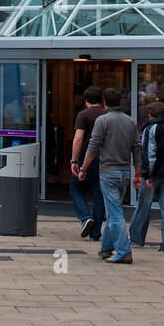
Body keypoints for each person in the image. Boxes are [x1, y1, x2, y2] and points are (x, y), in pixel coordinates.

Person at [78, 88, 141, 264]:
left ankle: (123, 251)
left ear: (105, 102)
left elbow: (93, 145)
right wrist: (138, 172)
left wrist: (83, 168)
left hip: (108, 171)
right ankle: (106, 248)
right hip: (124, 173)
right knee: (112, 209)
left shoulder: (102, 120)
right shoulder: (130, 121)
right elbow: (136, 147)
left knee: (114, 214)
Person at [129, 102, 164, 251]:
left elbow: (148, 154)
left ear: (150, 115)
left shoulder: (150, 129)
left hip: (153, 175)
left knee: (143, 206)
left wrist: (146, 175)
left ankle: (136, 238)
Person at [68, 86, 105, 241]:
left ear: (86, 100)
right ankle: (96, 232)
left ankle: (85, 217)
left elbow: (78, 138)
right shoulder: (106, 114)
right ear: (101, 99)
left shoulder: (83, 115)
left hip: (86, 159)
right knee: (99, 195)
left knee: (75, 188)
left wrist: (74, 160)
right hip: (104, 160)